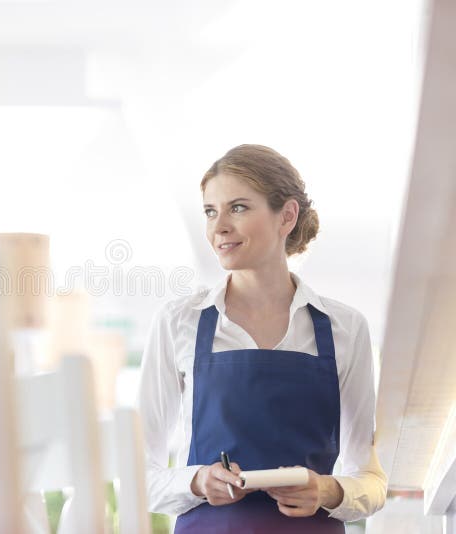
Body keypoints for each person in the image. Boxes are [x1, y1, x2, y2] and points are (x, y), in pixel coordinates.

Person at [137, 145, 387, 533]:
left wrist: (325, 490)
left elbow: (371, 481)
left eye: (238, 207)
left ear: (286, 216)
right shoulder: (178, 322)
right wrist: (198, 481)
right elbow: (138, 475)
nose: (219, 226)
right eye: (210, 211)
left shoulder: (345, 328)